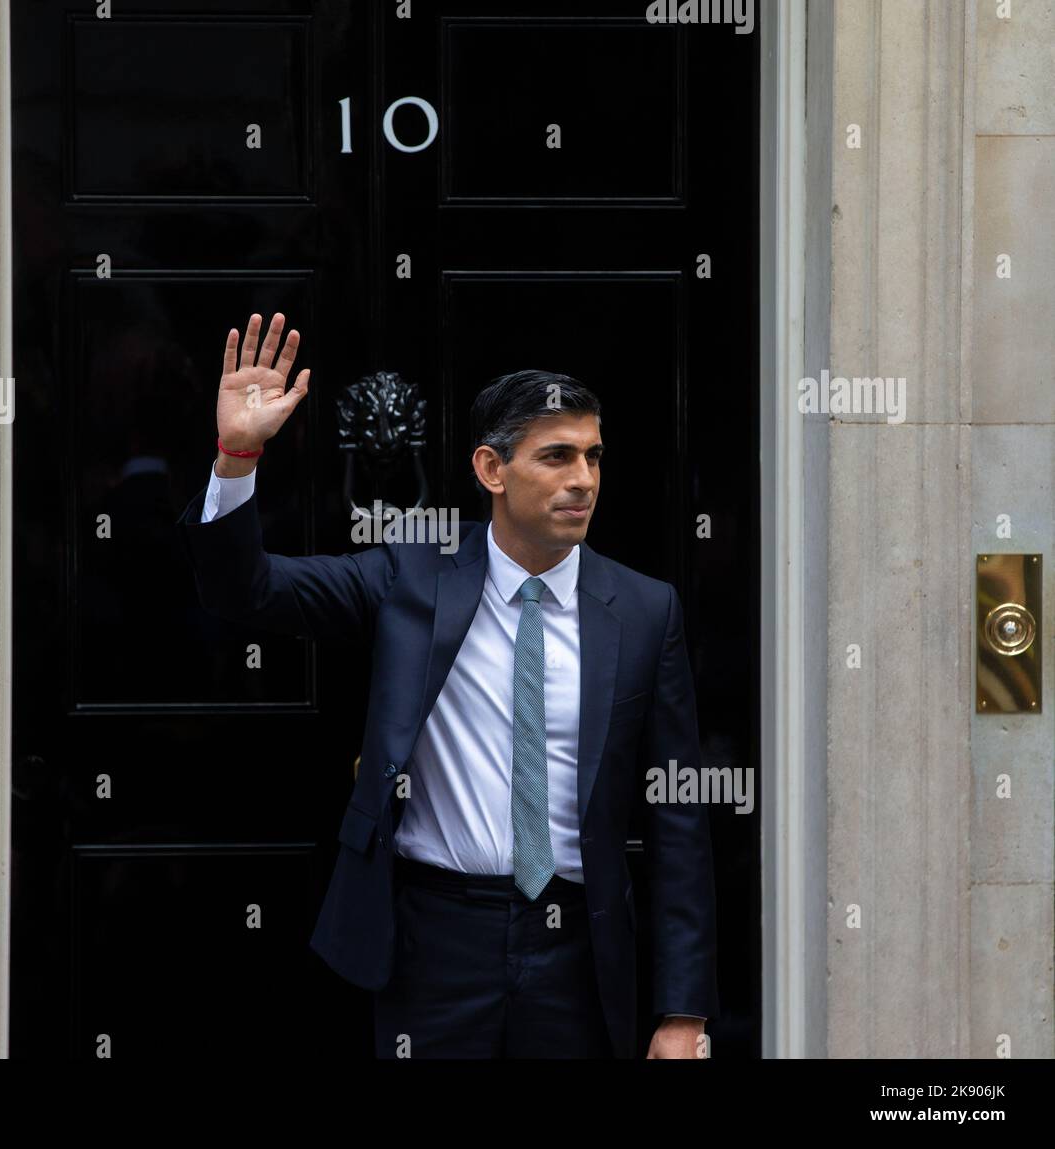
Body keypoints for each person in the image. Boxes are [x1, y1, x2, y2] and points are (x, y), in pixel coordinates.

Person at [177, 312, 718, 1058]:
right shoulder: (413, 577)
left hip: (580, 947)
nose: (583, 480)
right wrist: (237, 456)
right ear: (492, 470)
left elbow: (678, 825)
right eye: (556, 457)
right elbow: (249, 591)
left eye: (593, 456)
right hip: (433, 939)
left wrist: (683, 1010)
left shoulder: (646, 610)